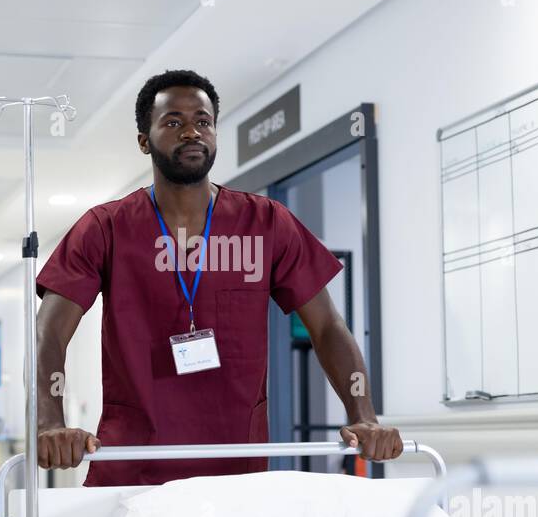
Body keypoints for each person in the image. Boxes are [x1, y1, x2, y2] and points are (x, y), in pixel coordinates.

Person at [34, 68, 404, 486]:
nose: (192, 132)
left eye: (203, 121)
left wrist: (364, 416)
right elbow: (50, 330)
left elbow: (327, 327)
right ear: (144, 141)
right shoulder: (105, 228)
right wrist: (50, 421)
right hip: (132, 467)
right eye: (173, 122)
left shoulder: (266, 223)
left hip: (236, 469)